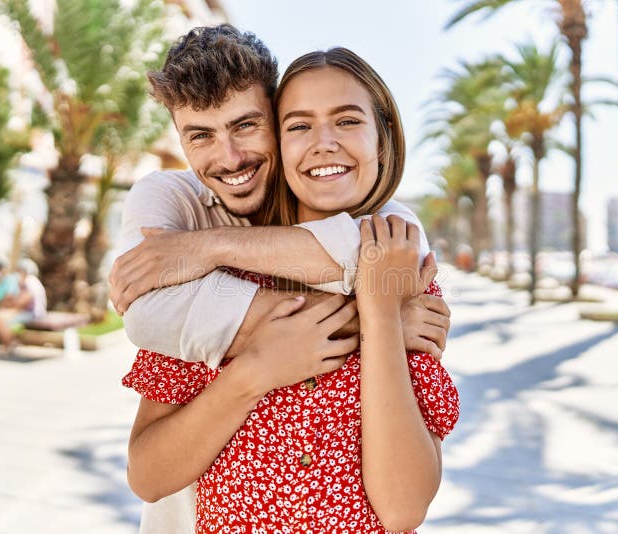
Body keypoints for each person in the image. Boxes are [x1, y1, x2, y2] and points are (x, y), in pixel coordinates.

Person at [108, 25, 452, 534]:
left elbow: (402, 510)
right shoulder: (208, 278)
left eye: (348, 120)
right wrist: (260, 367)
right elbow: (148, 473)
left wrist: (380, 316)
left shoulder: (399, 268)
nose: (323, 143)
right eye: (300, 126)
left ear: (384, 138)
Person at [0, 259, 47, 352]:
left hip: (33, 314)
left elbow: (22, 302)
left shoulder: (29, 281)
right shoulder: (31, 281)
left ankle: (8, 345)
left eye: (20, 270)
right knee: (1, 316)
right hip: (31, 312)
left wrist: (11, 307)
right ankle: (11, 343)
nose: (18, 273)